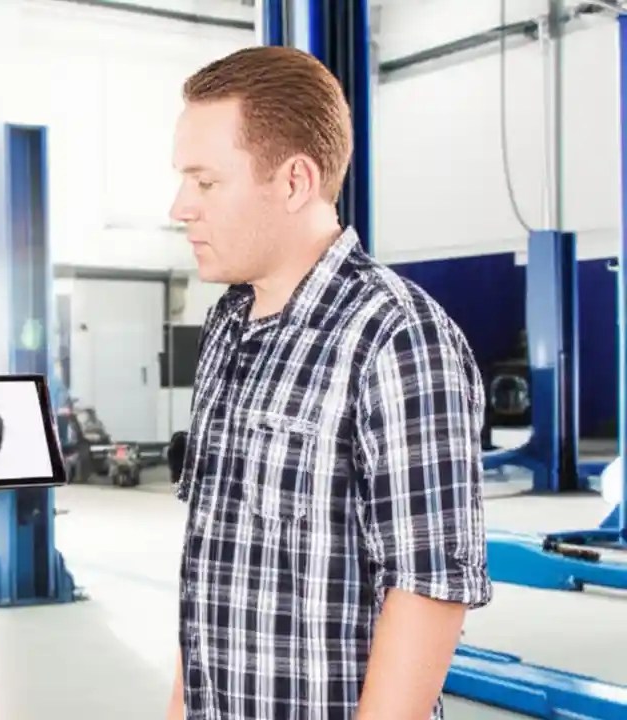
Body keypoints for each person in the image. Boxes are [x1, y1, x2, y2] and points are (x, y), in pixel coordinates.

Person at [164, 46, 491, 720]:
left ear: (293, 181)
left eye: (205, 182)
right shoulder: (229, 324)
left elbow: (428, 590)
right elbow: (211, 572)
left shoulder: (396, 338)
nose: (179, 207)